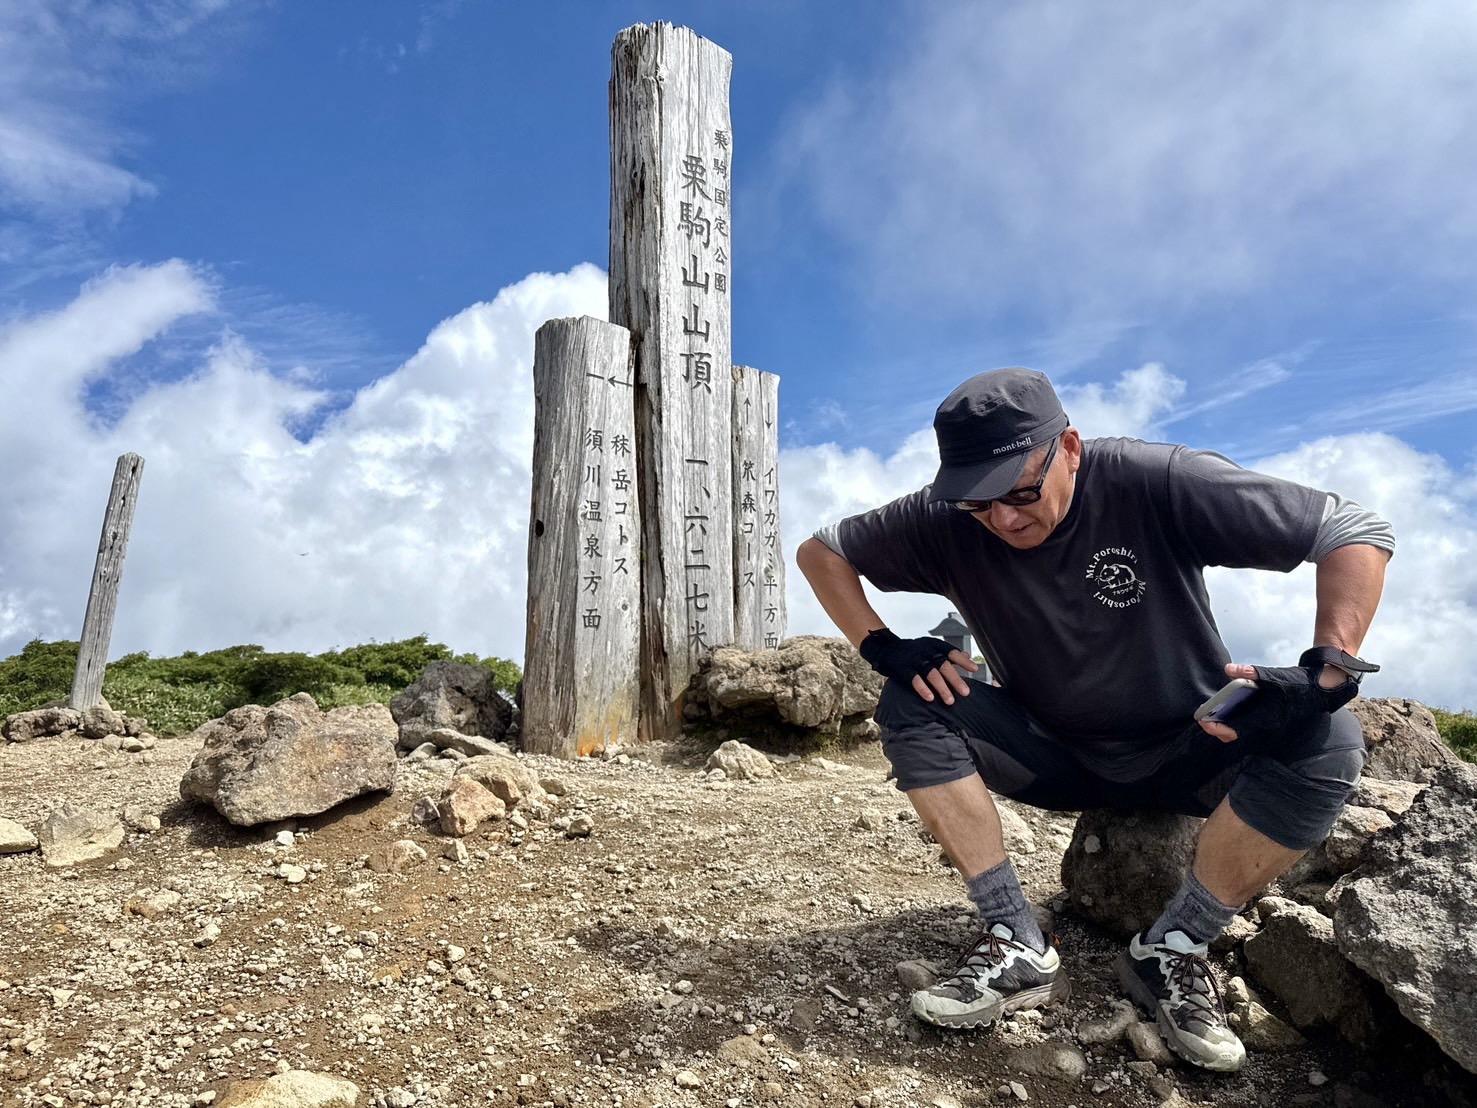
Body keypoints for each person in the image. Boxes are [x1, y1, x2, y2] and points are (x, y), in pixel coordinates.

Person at [796, 367, 1394, 1073]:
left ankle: (1174, 946)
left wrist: (1327, 669)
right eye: (977, 504)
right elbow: (821, 551)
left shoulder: (1152, 481)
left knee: (1329, 733)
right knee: (912, 697)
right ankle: (1015, 938)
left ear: (1070, 448)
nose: (1003, 519)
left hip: (1196, 748)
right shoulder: (944, 517)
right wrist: (881, 646)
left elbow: (1352, 528)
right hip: (1051, 755)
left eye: (1020, 492)